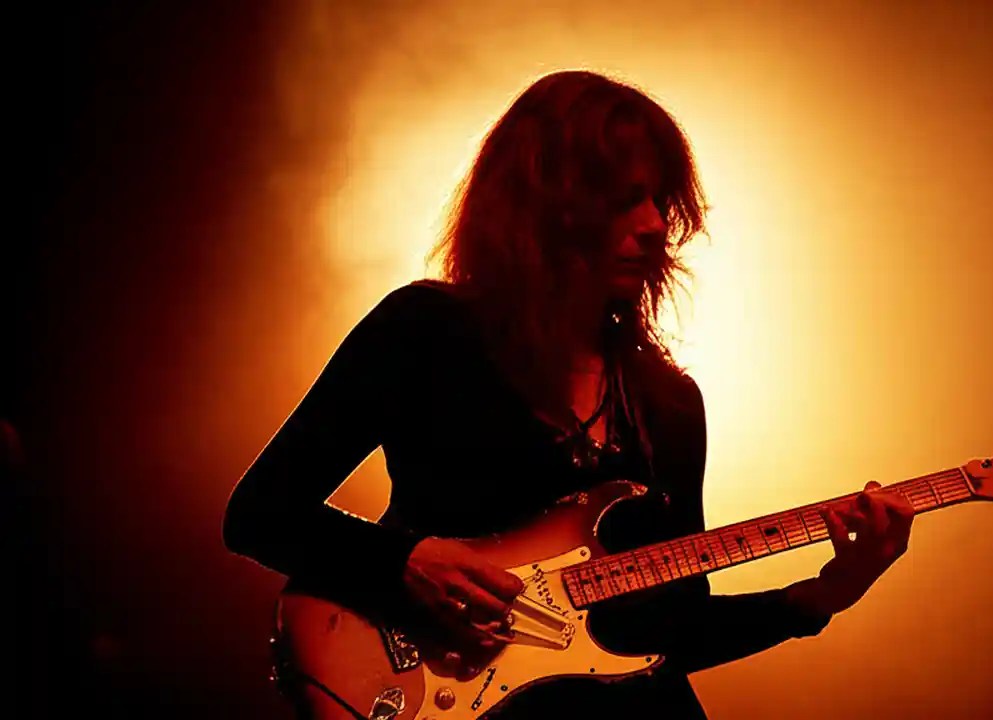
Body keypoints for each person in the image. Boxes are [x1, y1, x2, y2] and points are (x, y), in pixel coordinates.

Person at [223, 69, 914, 719]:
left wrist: (824, 594)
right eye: (622, 199)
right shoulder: (424, 331)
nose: (652, 224)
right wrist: (403, 562)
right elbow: (260, 512)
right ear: (545, 205)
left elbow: (674, 623)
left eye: (659, 199)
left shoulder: (668, 405)